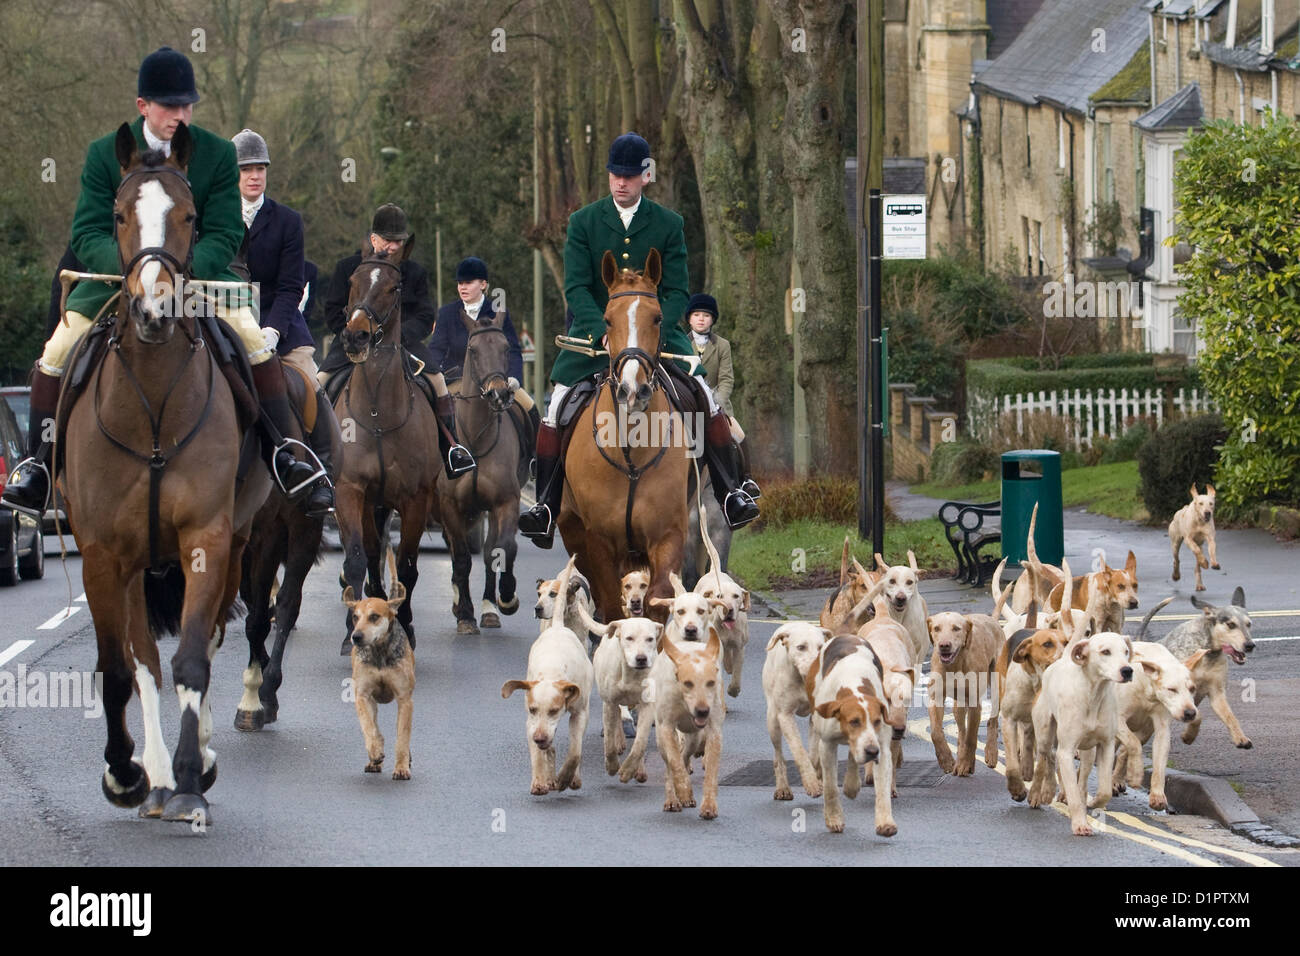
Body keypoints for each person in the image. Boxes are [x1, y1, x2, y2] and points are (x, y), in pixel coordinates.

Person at [3, 46, 317, 517]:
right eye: (170, 106)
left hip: (199, 283)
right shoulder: (103, 154)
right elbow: (87, 231)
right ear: (142, 106)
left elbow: (228, 231)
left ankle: (284, 454)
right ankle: (37, 466)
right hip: (114, 282)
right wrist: (138, 273)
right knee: (55, 353)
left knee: (255, 342)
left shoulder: (213, 153)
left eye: (187, 105)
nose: (180, 115)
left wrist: (182, 269)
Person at [518, 132, 758, 547]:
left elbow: (679, 290)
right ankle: (544, 504)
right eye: (615, 175)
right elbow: (576, 288)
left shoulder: (669, 224)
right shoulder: (583, 223)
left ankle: (730, 490)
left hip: (655, 334)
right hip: (597, 335)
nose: (621, 183)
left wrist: (650, 329)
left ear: (645, 176)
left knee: (704, 393)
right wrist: (603, 330)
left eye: (629, 176)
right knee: (556, 405)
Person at [319, 204, 475, 476]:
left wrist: (398, 335)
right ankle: (315, 455)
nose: (393, 247)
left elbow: (426, 315)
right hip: (353, 342)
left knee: (438, 382)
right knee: (317, 385)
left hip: (402, 342)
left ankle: (452, 448)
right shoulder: (347, 267)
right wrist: (351, 332)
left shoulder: (414, 272)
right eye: (387, 240)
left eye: (398, 241)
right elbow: (332, 309)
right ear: (373, 239)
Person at [229, 128, 335, 516]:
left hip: (281, 322)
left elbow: (292, 285)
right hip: (226, 317)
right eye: (246, 169)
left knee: (311, 384)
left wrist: (272, 330)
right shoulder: (213, 218)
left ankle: (322, 475)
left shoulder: (288, 221)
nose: (255, 175)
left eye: (260, 168)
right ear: (234, 175)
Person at [429, 256, 539, 452]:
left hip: (496, 379)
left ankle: (533, 459)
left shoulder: (497, 311)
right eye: (460, 283)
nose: (463, 287)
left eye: (468, 283)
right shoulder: (447, 313)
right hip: (459, 380)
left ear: (483, 284)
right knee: (429, 411)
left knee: (530, 407)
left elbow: (513, 348)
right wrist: (435, 375)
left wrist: (513, 377)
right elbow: (436, 349)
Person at [686, 292, 760, 499]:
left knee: (739, 435)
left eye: (706, 315)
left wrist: (716, 401)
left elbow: (727, 378)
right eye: (697, 314)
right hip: (689, 406)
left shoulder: (723, 345)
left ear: (713, 319)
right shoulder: (680, 344)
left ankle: (746, 479)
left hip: (718, 405)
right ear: (689, 318)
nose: (701, 319)